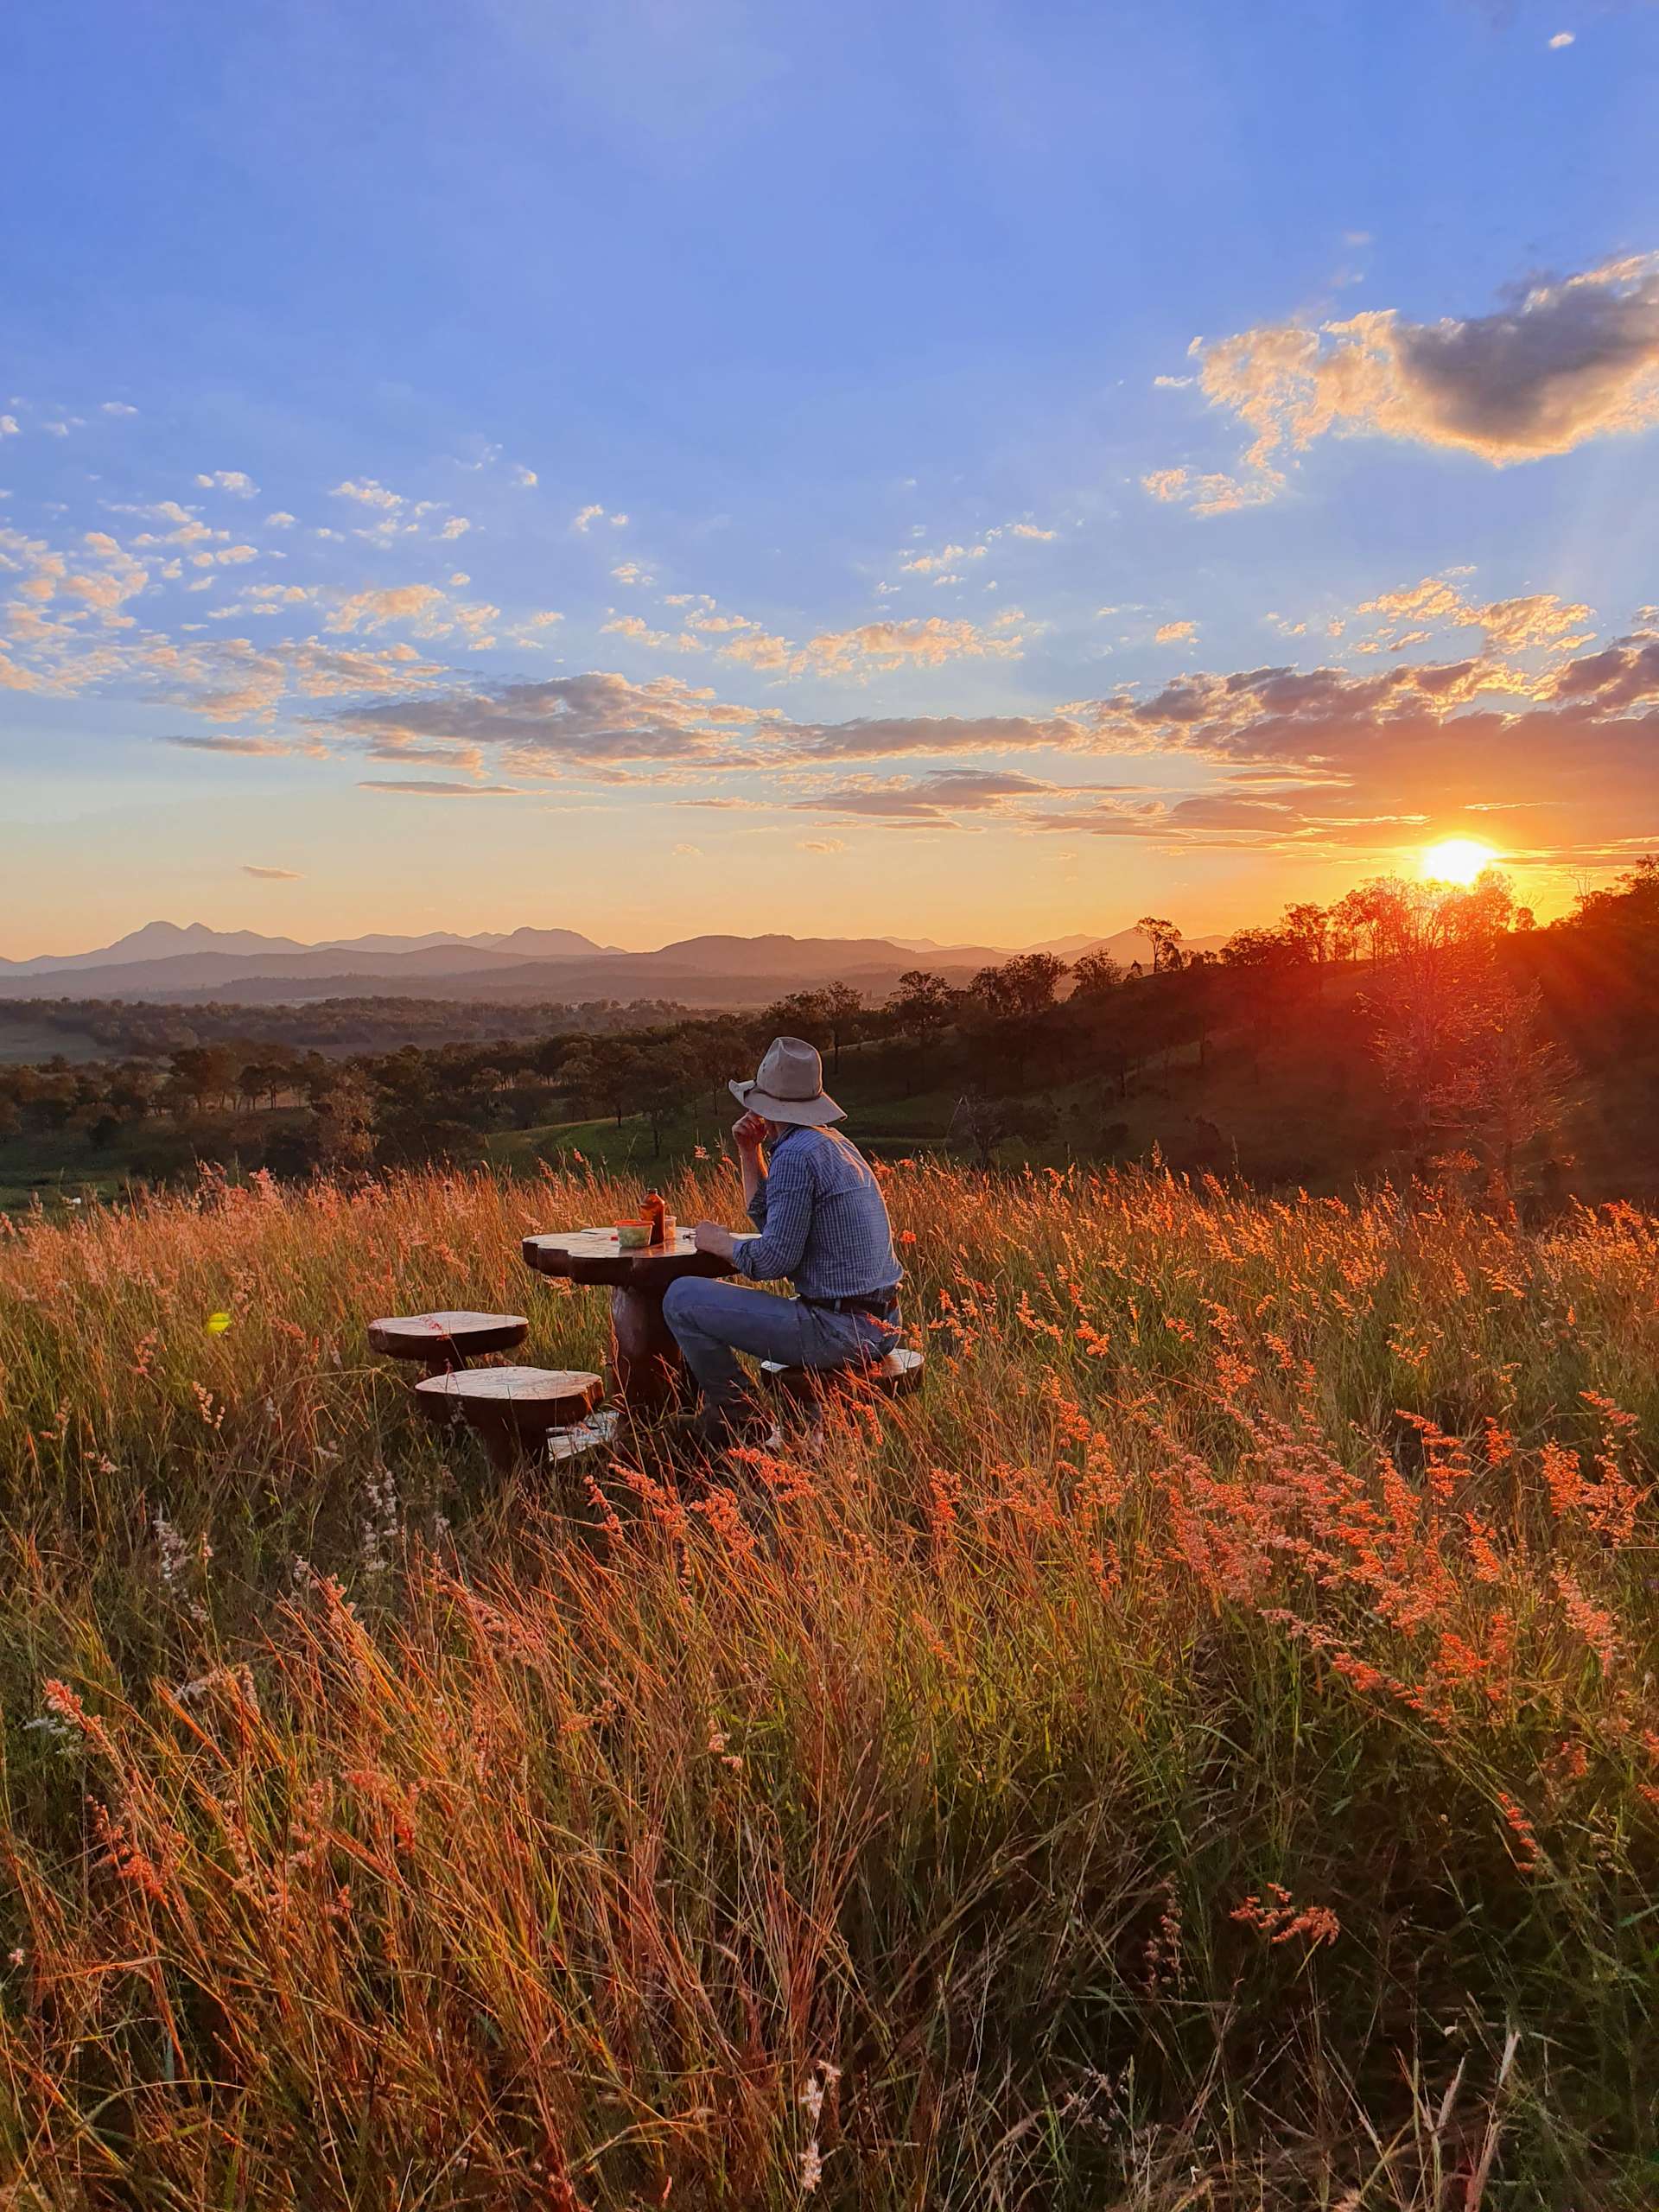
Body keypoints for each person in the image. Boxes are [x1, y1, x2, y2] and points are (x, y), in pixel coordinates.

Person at [663, 1035, 903, 1445]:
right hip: (882, 1324)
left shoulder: (795, 1155)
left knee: (682, 1298)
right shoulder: (829, 1143)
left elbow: (773, 1260)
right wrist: (748, 1151)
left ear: (763, 1105)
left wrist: (718, 1242)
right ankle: (787, 1428)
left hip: (838, 1330)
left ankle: (738, 1416)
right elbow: (774, 1220)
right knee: (702, 1298)